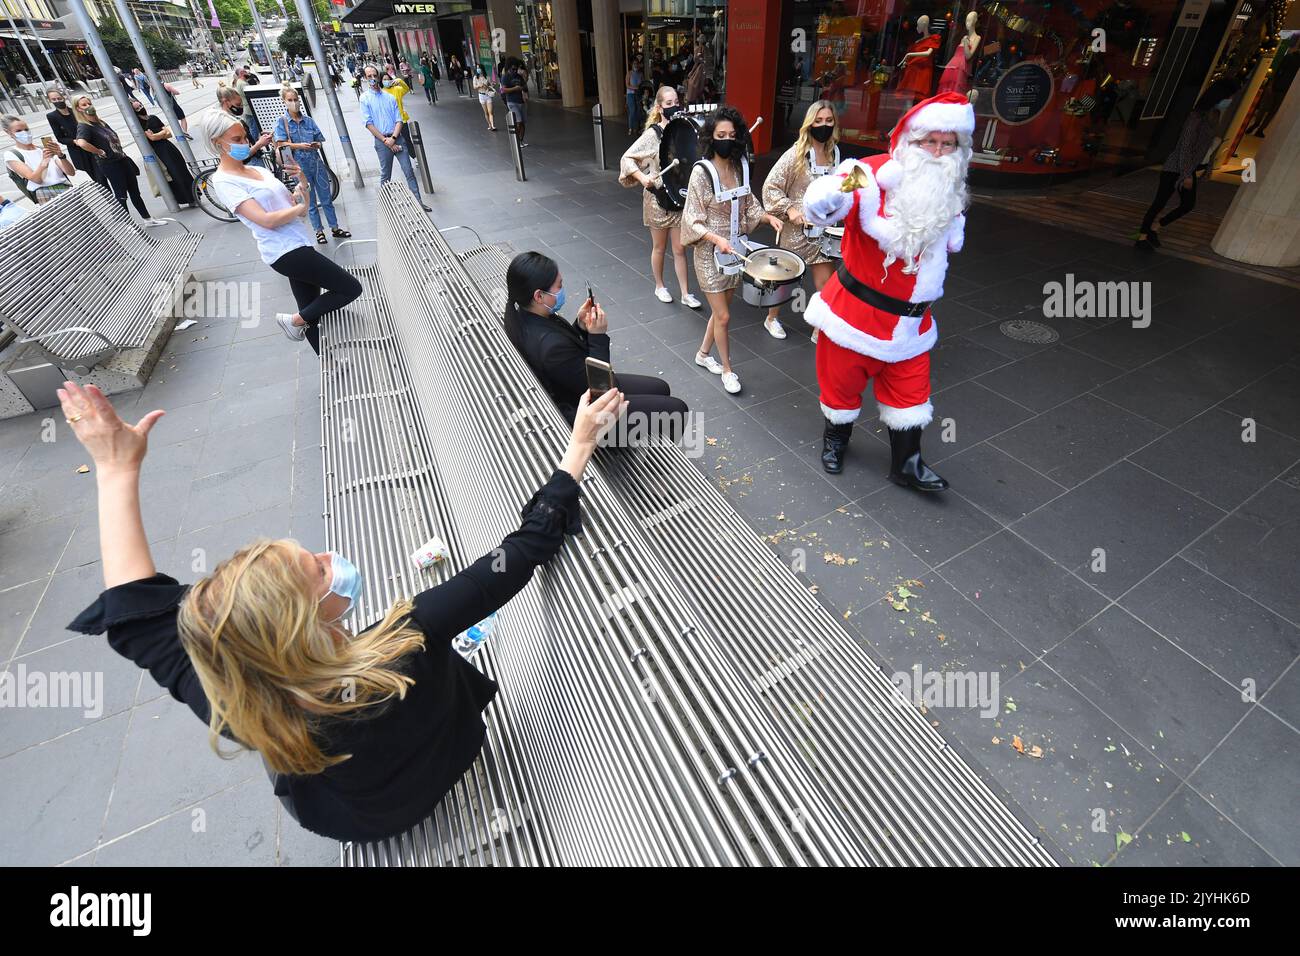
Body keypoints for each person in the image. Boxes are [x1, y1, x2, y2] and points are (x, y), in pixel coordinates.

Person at [58, 375, 624, 844]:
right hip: (444, 762)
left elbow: (134, 620)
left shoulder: (237, 697)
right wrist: (577, 448)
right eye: (320, 569)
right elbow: (520, 553)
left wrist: (115, 470)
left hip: (357, 820)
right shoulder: (406, 639)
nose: (331, 557)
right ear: (311, 624)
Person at [802, 91, 975, 487]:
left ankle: (907, 464)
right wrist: (828, 193)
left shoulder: (948, 189)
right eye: (929, 140)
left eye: (947, 143)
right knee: (840, 387)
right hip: (855, 315)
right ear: (909, 141)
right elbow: (823, 202)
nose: (937, 151)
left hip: (912, 325)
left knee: (912, 394)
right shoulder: (872, 171)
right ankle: (835, 439)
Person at [202, 109, 361, 354]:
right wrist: (299, 208)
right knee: (351, 288)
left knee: (310, 308)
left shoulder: (260, 171)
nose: (245, 144)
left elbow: (294, 204)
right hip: (284, 252)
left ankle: (330, 364)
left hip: (299, 242)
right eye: (236, 140)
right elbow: (265, 220)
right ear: (217, 143)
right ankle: (294, 321)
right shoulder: (225, 182)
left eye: (244, 137)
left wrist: (302, 184)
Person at [503, 251, 688, 441]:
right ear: (539, 296)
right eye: (559, 286)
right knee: (676, 410)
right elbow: (602, 389)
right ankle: (654, 466)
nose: (562, 290)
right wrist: (597, 336)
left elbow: (568, 360)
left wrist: (581, 327)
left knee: (660, 387)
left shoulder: (526, 316)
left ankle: (639, 443)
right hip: (585, 418)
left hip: (575, 387)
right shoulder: (550, 347)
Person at [681, 105, 782, 396]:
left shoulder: (739, 167)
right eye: (720, 134)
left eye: (731, 134)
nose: (726, 139)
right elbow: (692, 219)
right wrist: (716, 238)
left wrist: (766, 216)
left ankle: (702, 354)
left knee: (719, 311)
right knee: (724, 316)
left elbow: (748, 202)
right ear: (711, 137)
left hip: (735, 250)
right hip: (708, 253)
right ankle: (727, 369)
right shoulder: (701, 173)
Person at [761, 100, 841, 341]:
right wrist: (791, 211)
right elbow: (771, 187)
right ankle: (771, 318)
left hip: (825, 231)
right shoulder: (795, 154)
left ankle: (820, 326)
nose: (824, 125)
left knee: (826, 285)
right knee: (785, 280)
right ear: (809, 123)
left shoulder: (835, 152)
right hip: (796, 232)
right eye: (819, 121)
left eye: (828, 121)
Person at [619, 86, 701, 310]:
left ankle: (685, 293)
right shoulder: (652, 135)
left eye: (676, 101)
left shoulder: (682, 130)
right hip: (656, 199)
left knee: (680, 249)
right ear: (659, 107)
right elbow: (627, 159)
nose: (674, 106)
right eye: (668, 103)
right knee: (659, 247)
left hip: (677, 198)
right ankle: (660, 286)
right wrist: (641, 177)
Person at [1135, 79, 1238, 251]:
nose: (1231, 100)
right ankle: (1142, 237)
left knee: (1187, 205)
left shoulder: (1213, 115)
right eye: (1230, 97)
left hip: (1188, 169)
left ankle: (1155, 227)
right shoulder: (1195, 117)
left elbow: (1208, 146)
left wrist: (1206, 170)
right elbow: (1184, 147)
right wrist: (1186, 175)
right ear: (1218, 97)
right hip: (1176, 168)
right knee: (1159, 203)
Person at [71, 94, 166, 226]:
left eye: (89, 103)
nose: (89, 106)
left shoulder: (100, 122)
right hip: (110, 164)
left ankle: (148, 219)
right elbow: (81, 142)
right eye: (84, 105)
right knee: (121, 195)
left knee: (134, 191)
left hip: (122, 159)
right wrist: (98, 151)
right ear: (78, 109)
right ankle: (127, 225)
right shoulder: (84, 126)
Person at [274, 87, 351, 245]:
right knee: (309, 199)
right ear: (284, 101)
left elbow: (319, 139)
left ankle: (335, 228)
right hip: (298, 166)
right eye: (290, 100)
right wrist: (299, 146)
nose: (294, 103)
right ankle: (319, 231)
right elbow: (281, 143)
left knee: (326, 197)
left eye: (295, 100)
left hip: (315, 163)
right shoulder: (282, 122)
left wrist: (316, 144)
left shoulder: (308, 120)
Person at [360, 65, 428, 210]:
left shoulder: (389, 97)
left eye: (374, 75)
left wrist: (394, 138)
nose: (372, 78)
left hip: (397, 137)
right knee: (386, 175)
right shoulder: (364, 98)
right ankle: (387, 207)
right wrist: (386, 141)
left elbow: (399, 120)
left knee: (409, 171)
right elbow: (368, 123)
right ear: (365, 78)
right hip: (381, 141)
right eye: (369, 76)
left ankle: (419, 203)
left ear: (378, 76)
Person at [130, 100, 194, 208]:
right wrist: (161, 133)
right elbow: (152, 137)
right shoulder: (139, 125)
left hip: (169, 148)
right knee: (174, 174)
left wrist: (158, 135)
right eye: (137, 108)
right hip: (159, 153)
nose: (140, 108)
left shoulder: (153, 117)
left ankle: (194, 195)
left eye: (140, 105)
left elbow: (168, 133)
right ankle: (187, 198)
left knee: (182, 170)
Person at [4, 114, 75, 204]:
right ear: (9, 133)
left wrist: (60, 155)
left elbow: (71, 172)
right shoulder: (12, 154)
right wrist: (44, 161)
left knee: (85, 217)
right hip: (45, 195)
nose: (25, 133)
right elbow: (37, 179)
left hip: (67, 188)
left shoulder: (43, 149)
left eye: (26, 129)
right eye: (18, 131)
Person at [46, 87, 96, 183]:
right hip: (78, 150)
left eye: (59, 98)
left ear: (63, 97)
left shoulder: (75, 110)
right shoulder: (52, 116)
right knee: (96, 177)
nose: (57, 101)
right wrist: (74, 141)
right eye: (54, 99)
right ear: (50, 101)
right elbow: (60, 138)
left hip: (90, 145)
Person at [218, 86, 273, 167]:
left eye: (241, 104)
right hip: (249, 163)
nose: (241, 107)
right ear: (226, 102)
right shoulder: (227, 124)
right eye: (238, 104)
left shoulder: (232, 118)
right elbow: (241, 156)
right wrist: (259, 144)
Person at [500, 58, 528, 146]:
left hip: (521, 101)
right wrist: (515, 88)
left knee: (523, 122)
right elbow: (503, 90)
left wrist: (523, 88)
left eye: (516, 69)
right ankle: (516, 141)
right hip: (512, 102)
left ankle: (521, 140)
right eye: (513, 69)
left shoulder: (519, 77)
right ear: (509, 68)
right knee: (518, 121)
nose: (515, 71)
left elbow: (524, 87)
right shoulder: (506, 77)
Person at [472, 66, 497, 131]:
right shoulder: (475, 77)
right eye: (477, 68)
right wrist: (479, 85)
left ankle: (492, 125)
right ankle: (489, 124)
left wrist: (492, 84)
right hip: (481, 95)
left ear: (482, 69)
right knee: (486, 112)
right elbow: (474, 87)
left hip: (487, 95)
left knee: (490, 112)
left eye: (479, 68)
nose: (478, 69)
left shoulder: (487, 77)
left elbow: (490, 85)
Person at [625, 55, 645, 133]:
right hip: (630, 94)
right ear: (632, 64)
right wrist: (636, 88)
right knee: (632, 111)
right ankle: (630, 127)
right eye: (634, 64)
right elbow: (627, 85)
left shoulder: (641, 74)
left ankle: (637, 127)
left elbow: (643, 84)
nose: (636, 65)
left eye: (637, 63)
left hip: (638, 95)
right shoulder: (629, 73)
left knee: (638, 111)